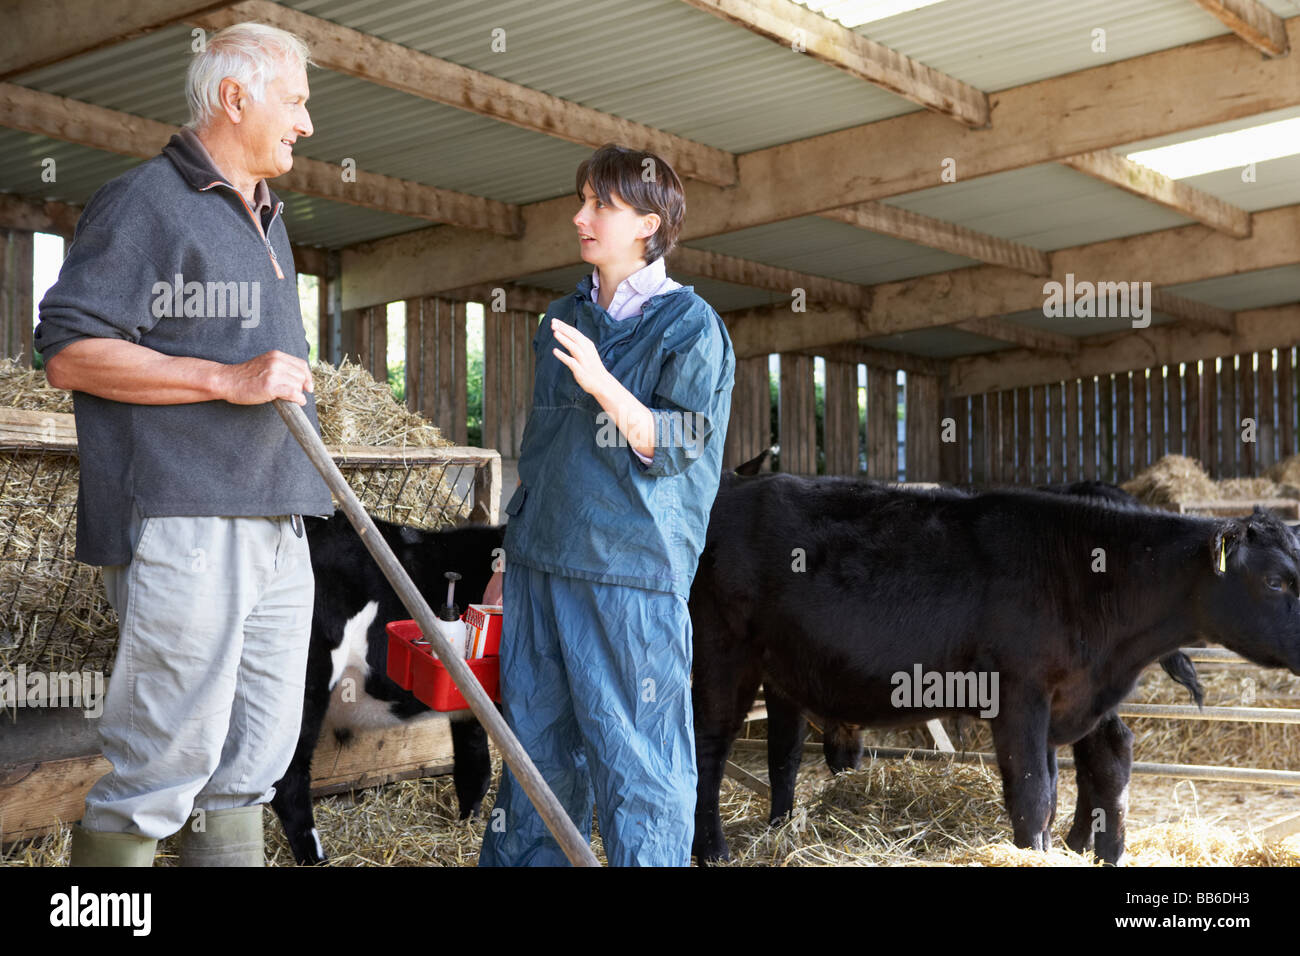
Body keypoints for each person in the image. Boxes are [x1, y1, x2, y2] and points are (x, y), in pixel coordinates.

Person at [34, 22, 332, 867]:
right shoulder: (144, 202)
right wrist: (224, 379)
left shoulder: (272, 222)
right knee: (163, 762)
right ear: (235, 98)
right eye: (296, 101)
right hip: (186, 515)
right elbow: (68, 352)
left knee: (250, 763)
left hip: (279, 518)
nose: (307, 125)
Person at [478, 144, 735, 867]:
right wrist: (508, 554)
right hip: (542, 564)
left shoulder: (689, 326)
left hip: (630, 573)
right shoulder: (562, 316)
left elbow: (679, 441)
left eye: (601, 205)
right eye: (582, 199)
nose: (579, 216)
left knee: (639, 765)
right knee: (534, 757)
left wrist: (602, 382)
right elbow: (544, 452)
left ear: (648, 222)